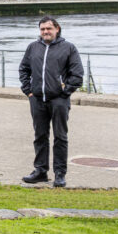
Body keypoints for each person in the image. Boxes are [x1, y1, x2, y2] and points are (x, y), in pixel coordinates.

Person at [19, 15, 84, 188]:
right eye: (42, 29)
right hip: (37, 99)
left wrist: (65, 91)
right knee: (40, 136)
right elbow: (24, 69)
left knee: (60, 137)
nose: (45, 32)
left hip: (59, 100)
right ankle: (40, 171)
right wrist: (28, 91)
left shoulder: (68, 48)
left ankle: (60, 173)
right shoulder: (33, 47)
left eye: (49, 28)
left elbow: (77, 74)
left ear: (57, 29)